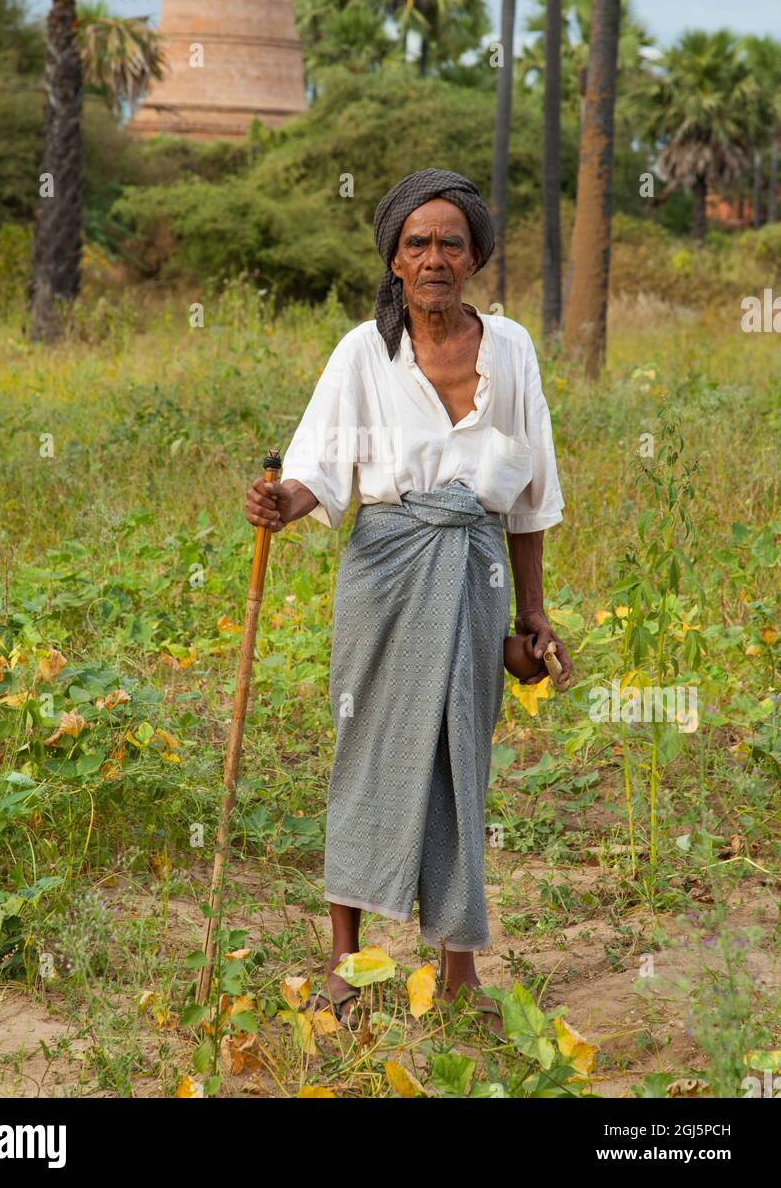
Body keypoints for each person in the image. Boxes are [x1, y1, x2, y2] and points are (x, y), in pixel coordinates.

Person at [244, 168, 572, 1033]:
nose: (434, 257)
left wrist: (529, 614)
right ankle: (346, 966)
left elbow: (530, 494)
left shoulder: (512, 351)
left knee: (462, 755)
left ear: (475, 258)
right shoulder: (364, 352)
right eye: (416, 243)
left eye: (450, 243)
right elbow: (317, 464)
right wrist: (284, 504)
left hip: (474, 572)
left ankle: (459, 973)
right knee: (369, 750)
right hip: (384, 570)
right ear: (393, 260)